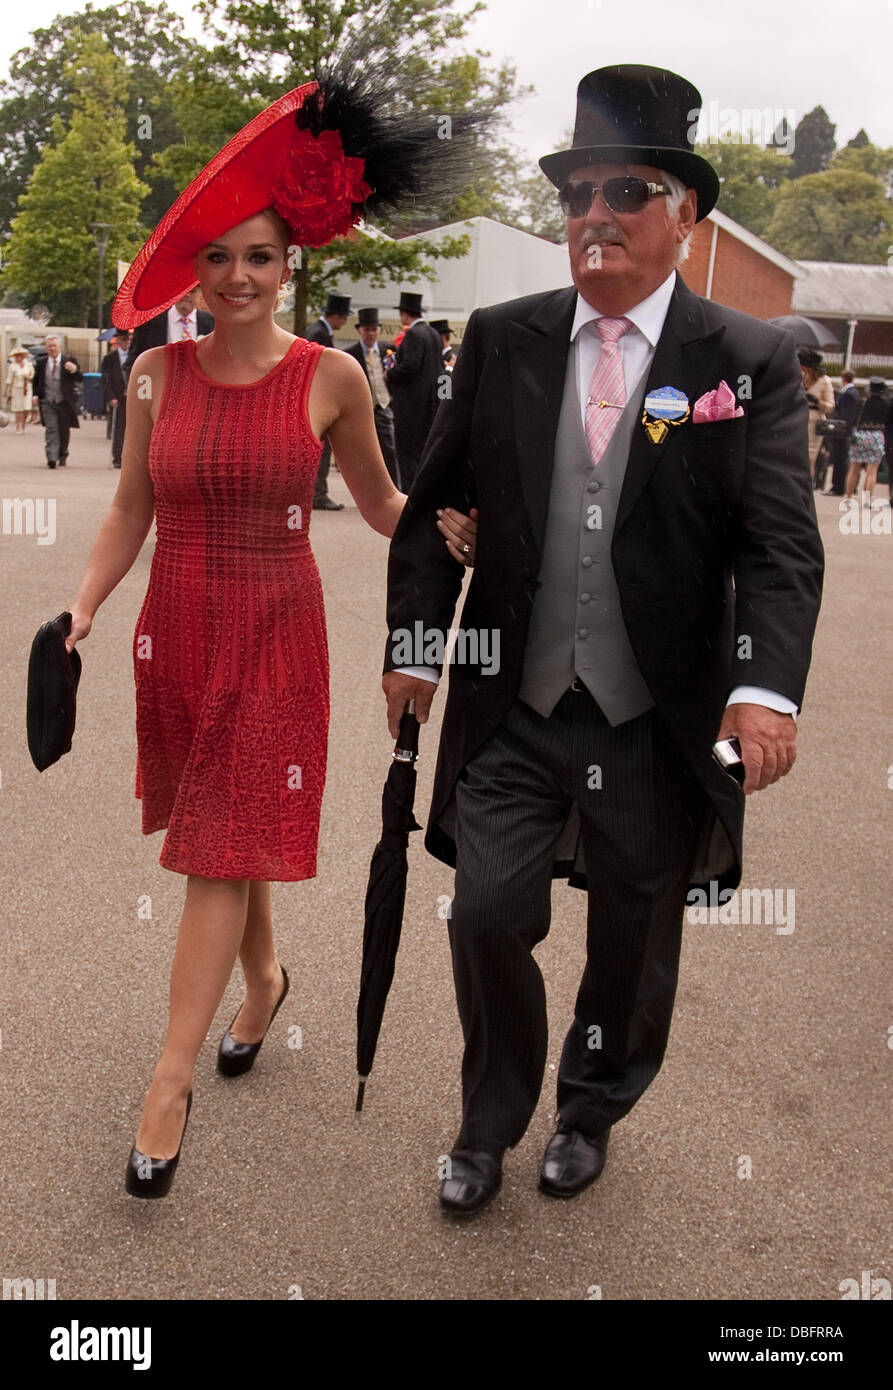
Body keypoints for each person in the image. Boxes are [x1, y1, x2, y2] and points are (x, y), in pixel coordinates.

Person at [382, 63, 824, 1217]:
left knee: (632, 937)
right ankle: (487, 1118)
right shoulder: (502, 337)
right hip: (515, 702)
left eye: (627, 190)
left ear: (685, 216)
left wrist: (764, 688)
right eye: (577, 190)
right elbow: (434, 516)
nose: (595, 213)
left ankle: (588, 1107)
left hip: (652, 713)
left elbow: (778, 546)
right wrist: (418, 648)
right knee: (483, 911)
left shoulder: (747, 361)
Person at [60, 79, 478, 1200]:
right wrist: (89, 604)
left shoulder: (329, 376)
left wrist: (455, 533)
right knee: (225, 833)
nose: (234, 277)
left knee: (213, 845)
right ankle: (268, 977)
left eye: (257, 257)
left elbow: (385, 507)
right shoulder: (153, 376)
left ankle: (166, 1081)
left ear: (288, 265)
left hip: (278, 637)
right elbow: (129, 510)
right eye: (215, 260)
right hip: (176, 634)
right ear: (191, 273)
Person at [386, 291, 443, 492]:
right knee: (424, 451)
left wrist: (390, 374)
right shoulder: (434, 335)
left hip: (411, 405)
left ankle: (410, 493)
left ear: (404, 314)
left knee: (407, 453)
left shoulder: (413, 334)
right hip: (431, 403)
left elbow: (410, 366)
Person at [304, 293, 351, 509]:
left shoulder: (318, 330)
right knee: (321, 450)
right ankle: (318, 494)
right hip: (318, 397)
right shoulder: (320, 334)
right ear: (337, 316)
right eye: (344, 317)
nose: (346, 321)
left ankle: (317, 492)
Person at [343, 307, 399, 485]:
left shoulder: (388, 349)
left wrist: (392, 395)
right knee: (364, 452)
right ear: (359, 330)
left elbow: (396, 375)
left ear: (378, 330)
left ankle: (394, 488)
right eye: (367, 329)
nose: (370, 333)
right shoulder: (350, 353)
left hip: (383, 406)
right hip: (362, 409)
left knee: (389, 449)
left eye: (374, 329)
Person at [125, 289, 214, 373]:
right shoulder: (150, 322)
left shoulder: (212, 322)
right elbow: (133, 361)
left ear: (200, 293)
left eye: (192, 291)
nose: (187, 294)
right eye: (182, 289)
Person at [32, 335, 82, 468]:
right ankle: (52, 457)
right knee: (51, 428)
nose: (52, 348)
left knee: (64, 430)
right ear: (46, 348)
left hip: (64, 401)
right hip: (47, 401)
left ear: (59, 347)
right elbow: (36, 381)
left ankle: (62, 453)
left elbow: (80, 378)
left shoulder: (69, 361)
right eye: (49, 346)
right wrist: (36, 395)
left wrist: (74, 370)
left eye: (54, 345)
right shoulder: (41, 363)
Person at [843, 377, 889, 506]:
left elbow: (853, 418)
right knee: (872, 471)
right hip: (876, 435)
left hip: (861, 434)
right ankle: (866, 501)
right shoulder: (886, 404)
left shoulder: (863, 402)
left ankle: (848, 497)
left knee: (853, 469)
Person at [797, 347, 835, 485]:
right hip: (798, 418)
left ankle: (806, 486)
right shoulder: (799, 377)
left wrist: (817, 401)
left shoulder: (825, 381)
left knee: (810, 457)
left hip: (814, 421)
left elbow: (830, 406)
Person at [100, 327, 131, 468]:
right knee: (118, 429)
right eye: (124, 340)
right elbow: (105, 380)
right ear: (118, 341)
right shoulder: (109, 359)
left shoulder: (135, 356)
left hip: (132, 398)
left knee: (133, 429)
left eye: (128, 340)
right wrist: (110, 397)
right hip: (118, 398)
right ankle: (117, 457)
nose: (127, 343)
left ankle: (130, 457)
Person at [829, 368, 861, 497]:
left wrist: (840, 428)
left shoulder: (849, 394)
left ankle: (838, 487)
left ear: (843, 379)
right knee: (841, 459)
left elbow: (846, 415)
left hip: (842, 432)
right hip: (846, 431)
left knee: (840, 459)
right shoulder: (854, 393)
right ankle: (838, 486)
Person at [5, 345, 35, 433]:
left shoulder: (28, 365)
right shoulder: (12, 366)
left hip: (26, 389)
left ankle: (24, 424)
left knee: (26, 408)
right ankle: (18, 426)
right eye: (17, 356)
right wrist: (6, 391)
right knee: (18, 408)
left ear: (23, 356)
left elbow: (32, 375)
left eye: (20, 356)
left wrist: (28, 377)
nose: (18, 358)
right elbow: (9, 379)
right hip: (16, 389)